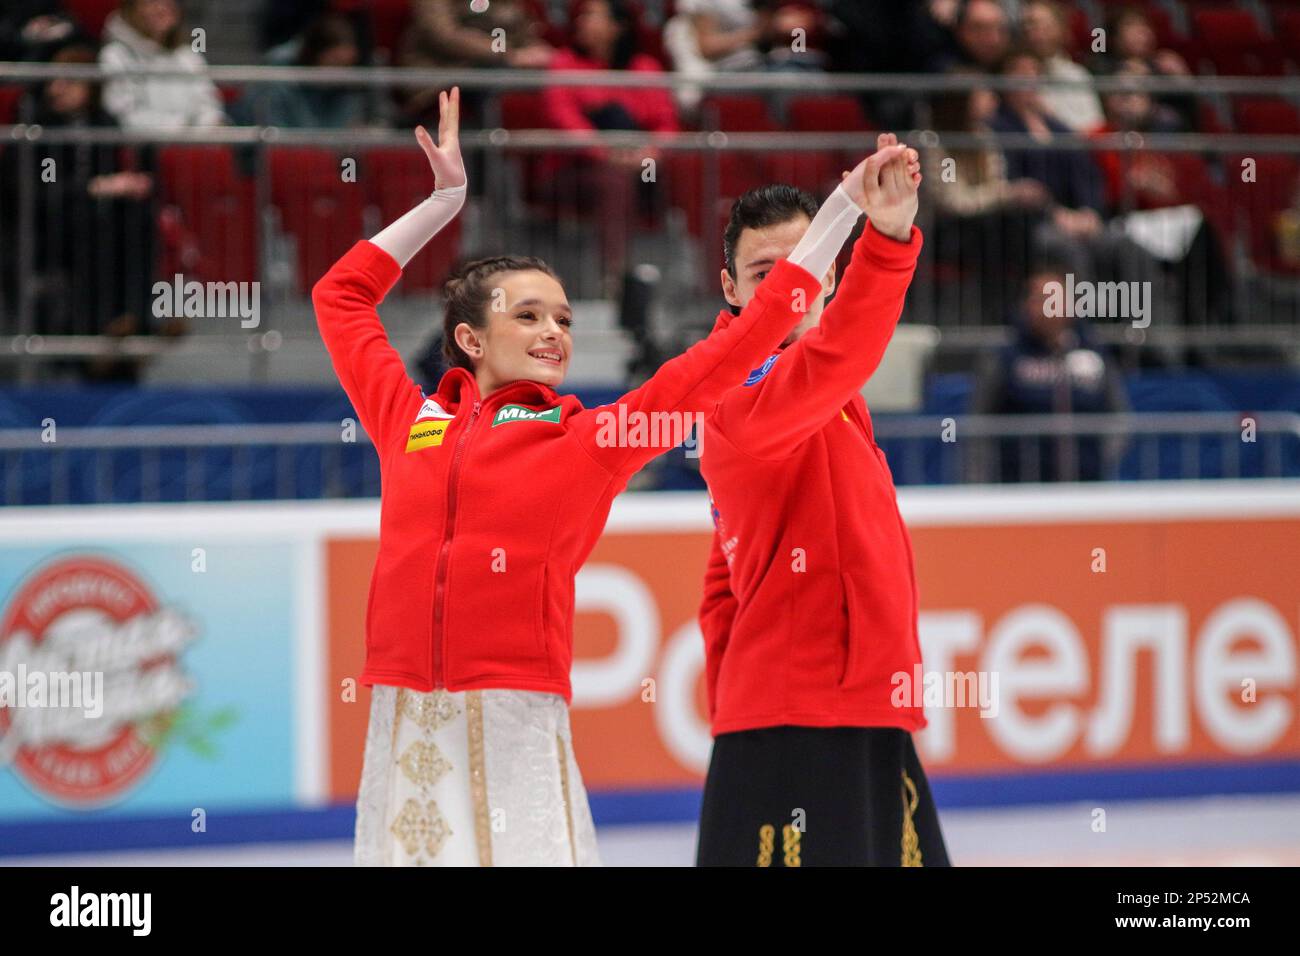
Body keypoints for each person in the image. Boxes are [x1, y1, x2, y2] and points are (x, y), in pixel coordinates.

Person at [314, 87, 865, 866]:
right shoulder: (409, 421)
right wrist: (444, 201)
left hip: (516, 714)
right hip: (404, 715)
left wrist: (841, 209)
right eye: (530, 315)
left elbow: (732, 353)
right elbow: (339, 297)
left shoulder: (592, 438)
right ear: (469, 337)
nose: (554, 332)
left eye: (565, 319)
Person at [694, 134, 952, 866]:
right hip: (800, 717)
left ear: (832, 276)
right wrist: (889, 235)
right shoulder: (734, 396)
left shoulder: (837, 403)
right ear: (731, 289)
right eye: (766, 273)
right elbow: (842, 349)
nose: (790, 290)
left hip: (858, 704)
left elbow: (723, 577)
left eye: (806, 268)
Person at [969, 255, 1130, 482]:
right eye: (1039, 298)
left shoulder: (1094, 351)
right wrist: (979, 483)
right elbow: (979, 425)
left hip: (1087, 488)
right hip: (1021, 490)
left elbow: (1118, 415)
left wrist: (1102, 457)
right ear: (1026, 305)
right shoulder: (1005, 356)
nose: (1047, 307)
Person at [98, 0, 226, 129]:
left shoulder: (188, 55)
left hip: (196, 143)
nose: (162, 8)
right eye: (151, 2)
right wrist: (183, 129)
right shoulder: (116, 55)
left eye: (169, 1)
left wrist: (204, 128)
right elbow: (125, 116)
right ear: (131, 8)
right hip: (145, 146)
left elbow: (209, 105)